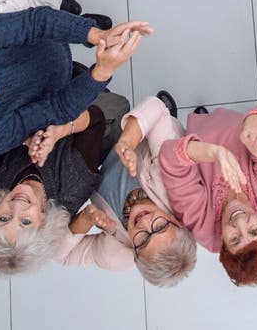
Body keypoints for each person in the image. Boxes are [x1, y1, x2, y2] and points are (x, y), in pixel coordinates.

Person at [0, 7, 150, 158]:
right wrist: (102, 70)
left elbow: (35, 23)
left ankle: (77, 23)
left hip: (43, 40)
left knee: (68, 26)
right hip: (54, 86)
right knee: (86, 88)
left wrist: (97, 35)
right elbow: (57, 108)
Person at [0, 90, 129, 275]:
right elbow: (95, 119)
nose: (17, 206)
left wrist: (22, 136)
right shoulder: (73, 183)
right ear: (43, 222)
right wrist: (60, 130)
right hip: (81, 127)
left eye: (4, 218)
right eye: (26, 221)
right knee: (118, 107)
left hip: (32, 112)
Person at [60, 93, 197, 287]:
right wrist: (127, 143)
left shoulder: (116, 254)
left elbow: (64, 256)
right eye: (159, 227)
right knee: (118, 107)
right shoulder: (171, 184)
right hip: (137, 140)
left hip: (102, 163)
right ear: (175, 220)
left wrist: (85, 220)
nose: (145, 224)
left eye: (143, 241)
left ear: (135, 254)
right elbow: (156, 108)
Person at [159, 105, 257, 286]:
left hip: (198, 137)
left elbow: (170, 160)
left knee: (181, 126)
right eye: (254, 231)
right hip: (237, 123)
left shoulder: (204, 230)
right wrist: (255, 128)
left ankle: (196, 118)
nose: (240, 222)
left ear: (223, 246)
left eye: (235, 239)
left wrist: (212, 152)